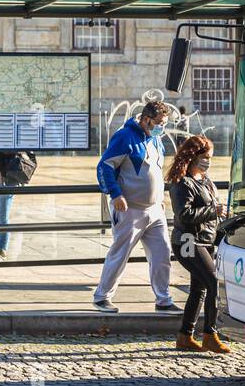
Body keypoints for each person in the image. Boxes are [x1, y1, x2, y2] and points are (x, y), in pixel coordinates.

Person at [92, 100, 180, 313]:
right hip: (129, 208)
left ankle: (163, 298)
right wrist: (115, 194)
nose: (162, 126)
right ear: (147, 119)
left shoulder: (156, 139)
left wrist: (159, 196)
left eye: (165, 123)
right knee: (120, 253)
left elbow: (155, 170)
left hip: (154, 209)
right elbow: (105, 166)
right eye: (159, 122)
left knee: (162, 253)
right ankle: (102, 296)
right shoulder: (125, 136)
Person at [167, 136, 232, 353]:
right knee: (214, 283)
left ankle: (185, 335)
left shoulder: (204, 180)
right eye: (204, 157)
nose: (208, 162)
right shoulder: (182, 182)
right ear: (192, 156)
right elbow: (184, 214)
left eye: (210, 158)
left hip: (203, 241)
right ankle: (210, 334)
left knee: (199, 288)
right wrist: (214, 211)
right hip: (188, 242)